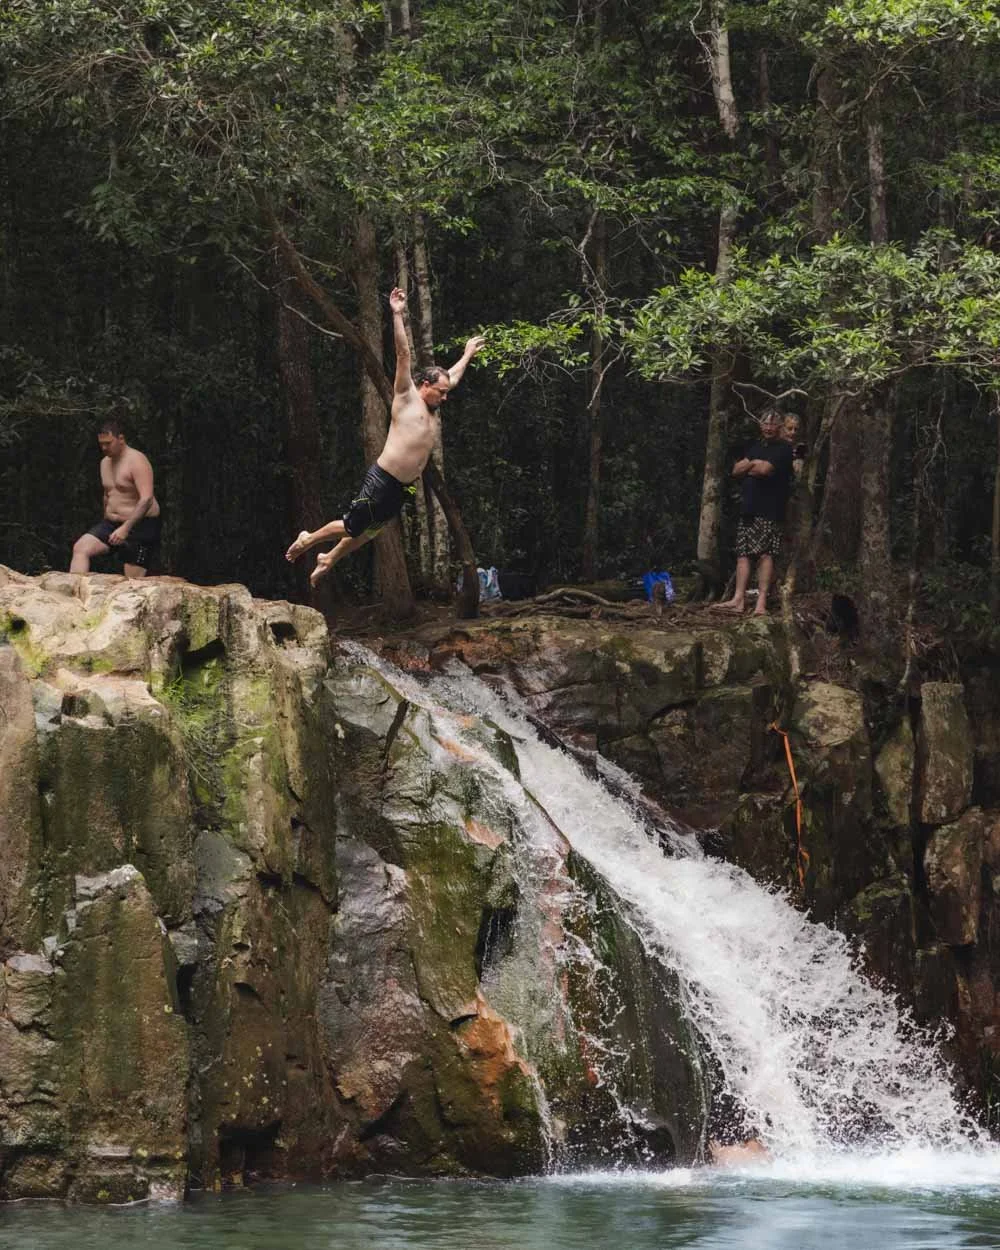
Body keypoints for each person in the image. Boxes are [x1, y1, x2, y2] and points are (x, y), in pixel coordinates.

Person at [285, 288, 484, 585]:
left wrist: (467, 353)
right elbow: (403, 353)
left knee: (369, 532)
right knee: (353, 526)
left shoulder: (433, 400)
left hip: (402, 487)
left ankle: (329, 558)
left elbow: (452, 377)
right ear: (424, 384)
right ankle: (309, 539)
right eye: (441, 392)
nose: (445, 397)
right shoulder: (406, 396)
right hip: (383, 478)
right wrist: (397, 314)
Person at [714, 409, 794, 616]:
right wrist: (752, 463)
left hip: (770, 509)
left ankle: (760, 603)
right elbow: (735, 470)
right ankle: (738, 599)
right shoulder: (756, 446)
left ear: (779, 427)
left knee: (765, 554)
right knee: (743, 553)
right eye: (765, 423)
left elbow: (765, 470)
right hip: (748, 508)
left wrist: (751, 466)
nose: (768, 427)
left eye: (773, 424)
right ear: (760, 425)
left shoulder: (784, 449)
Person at [70, 418, 161, 579]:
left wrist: (126, 528)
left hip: (140, 524)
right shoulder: (104, 463)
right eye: (101, 444)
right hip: (112, 523)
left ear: (121, 439)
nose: (104, 448)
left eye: (108, 443)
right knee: (81, 548)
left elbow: (146, 499)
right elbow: (108, 493)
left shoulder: (137, 460)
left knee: (132, 581)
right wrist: (106, 516)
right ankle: (74, 594)